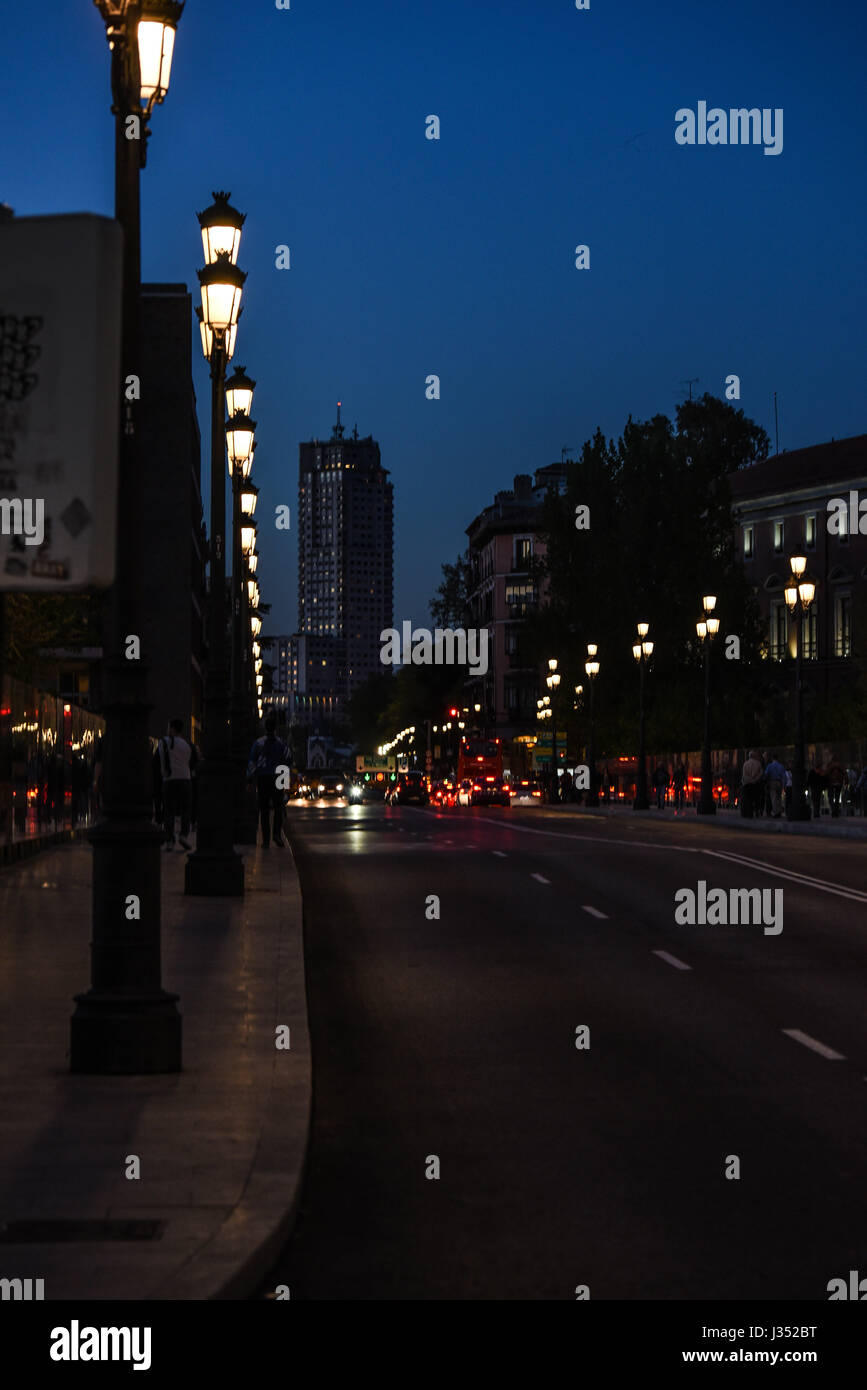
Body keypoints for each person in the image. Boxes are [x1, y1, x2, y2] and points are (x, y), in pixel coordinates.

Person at [247, 714, 289, 848]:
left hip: (263, 777)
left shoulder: (258, 743)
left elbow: (252, 762)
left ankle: (265, 840)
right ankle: (277, 834)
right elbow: (287, 760)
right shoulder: (281, 743)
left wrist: (250, 779)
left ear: (265, 728)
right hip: (278, 776)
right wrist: (285, 782)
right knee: (278, 807)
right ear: (275, 728)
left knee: (264, 809)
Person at [160, 717, 195, 850]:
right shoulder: (187, 745)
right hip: (185, 779)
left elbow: (162, 761)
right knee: (186, 809)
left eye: (169, 727)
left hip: (169, 779)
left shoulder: (164, 742)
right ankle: (183, 835)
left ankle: (170, 840)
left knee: (169, 810)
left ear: (173, 729)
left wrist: (164, 773)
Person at [740, 749, 763, 818]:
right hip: (756, 784)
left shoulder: (745, 764)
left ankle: (750, 813)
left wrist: (748, 780)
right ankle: (757, 811)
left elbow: (744, 775)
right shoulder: (758, 763)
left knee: (749, 799)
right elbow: (761, 773)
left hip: (748, 784)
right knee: (756, 799)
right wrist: (755, 779)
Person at [764, 751, 786, 818]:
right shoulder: (781, 766)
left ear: (772, 758)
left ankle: (776, 812)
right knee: (779, 797)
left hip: (772, 782)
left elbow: (766, 774)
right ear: (778, 758)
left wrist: (766, 782)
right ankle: (779, 811)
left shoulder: (769, 766)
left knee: (773, 798)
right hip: (779, 782)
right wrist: (784, 785)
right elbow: (784, 776)